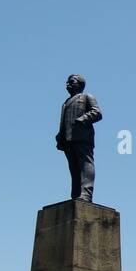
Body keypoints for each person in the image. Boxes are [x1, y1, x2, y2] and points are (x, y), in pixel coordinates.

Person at [56, 74, 103, 202]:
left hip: (82, 137)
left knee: (85, 164)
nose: (68, 84)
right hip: (68, 139)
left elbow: (97, 113)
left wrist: (83, 119)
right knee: (73, 167)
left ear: (80, 84)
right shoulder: (65, 103)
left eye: (71, 82)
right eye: (67, 82)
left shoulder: (87, 97)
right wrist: (60, 134)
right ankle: (76, 194)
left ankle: (86, 194)